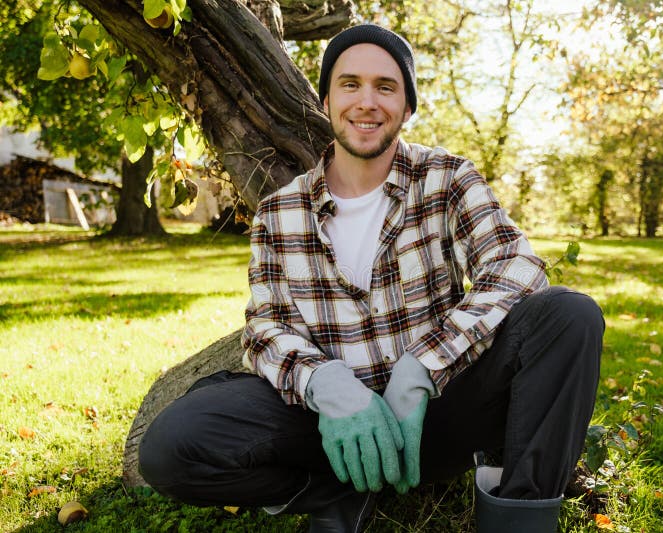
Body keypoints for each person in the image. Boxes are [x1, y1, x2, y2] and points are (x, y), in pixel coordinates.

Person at [138, 23, 604, 533]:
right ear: (326, 100)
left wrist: (423, 367)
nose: (367, 101)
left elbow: (516, 267)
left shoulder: (447, 179)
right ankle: (333, 493)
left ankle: (518, 519)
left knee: (569, 315)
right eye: (350, 84)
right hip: (327, 430)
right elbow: (266, 328)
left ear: (407, 107)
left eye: (386, 87)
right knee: (171, 446)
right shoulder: (280, 211)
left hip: (438, 416)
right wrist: (327, 384)